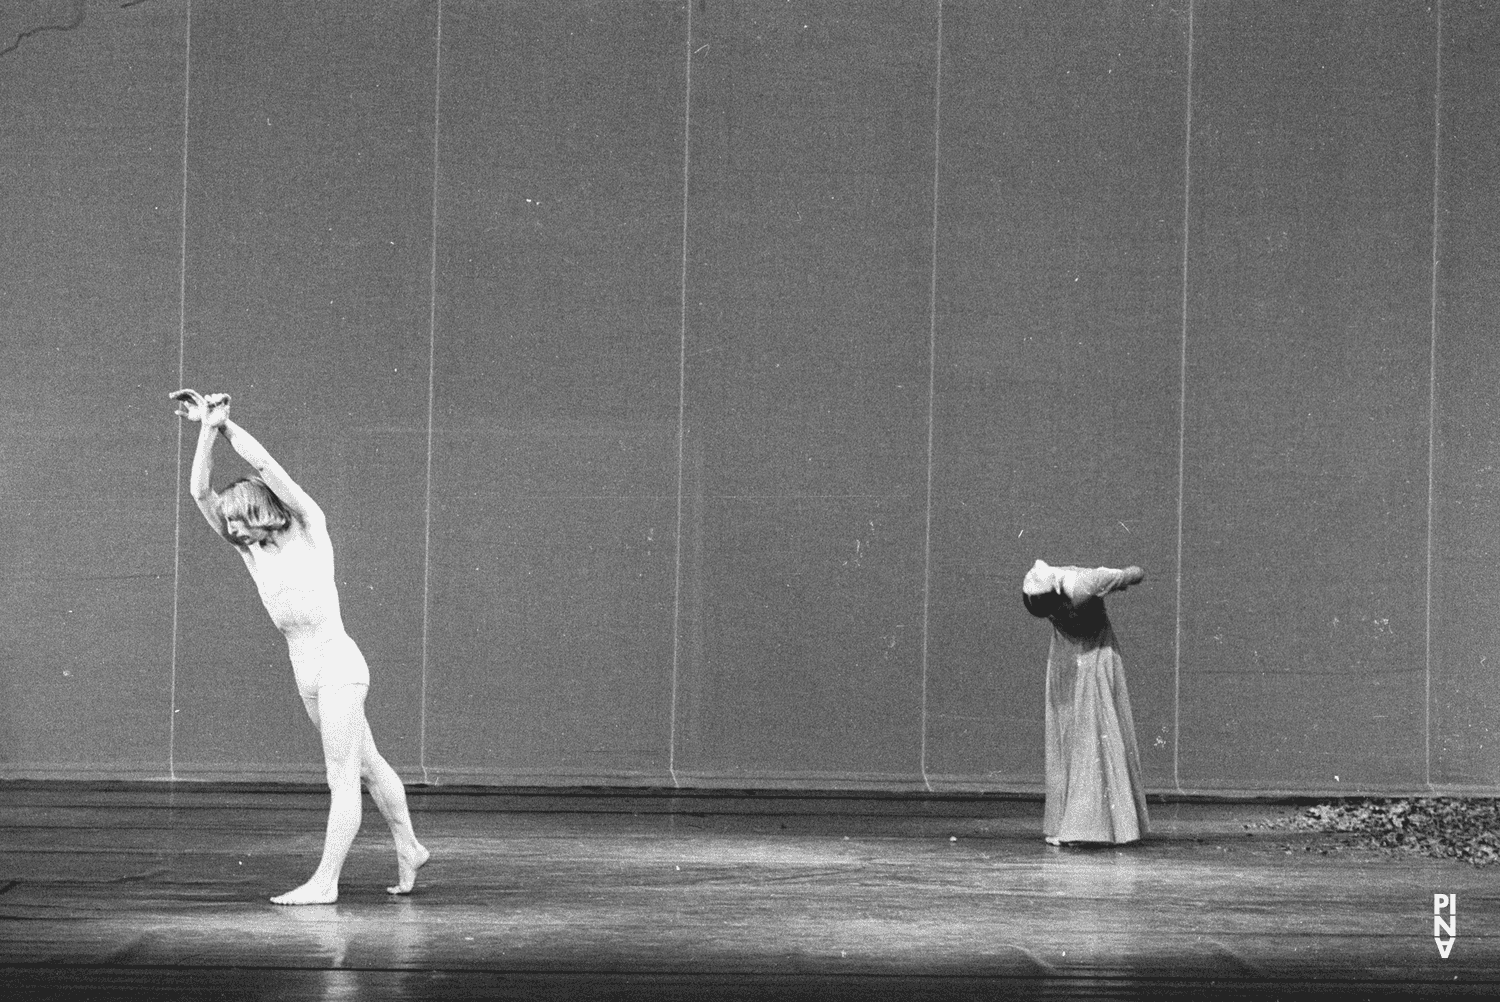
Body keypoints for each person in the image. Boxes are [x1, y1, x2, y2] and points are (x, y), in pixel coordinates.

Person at [171, 388, 428, 904]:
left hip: (339, 667)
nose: (233, 530)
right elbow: (201, 494)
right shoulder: (253, 553)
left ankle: (325, 882)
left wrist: (227, 426)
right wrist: (203, 432)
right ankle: (410, 846)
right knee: (368, 764)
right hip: (306, 673)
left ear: (259, 509)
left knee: (342, 776)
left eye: (240, 519)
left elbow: (266, 465)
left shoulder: (310, 528)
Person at [1022, 558, 1149, 846]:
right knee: (1066, 734)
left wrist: (1124, 579)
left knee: (1092, 734)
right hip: (1066, 655)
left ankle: (1090, 827)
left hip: (1096, 652)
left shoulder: (1083, 583)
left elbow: (1132, 573)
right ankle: (1068, 820)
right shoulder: (1044, 593)